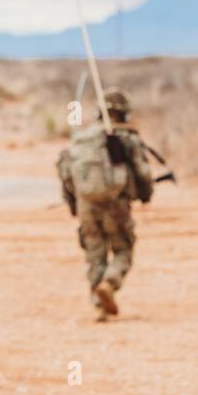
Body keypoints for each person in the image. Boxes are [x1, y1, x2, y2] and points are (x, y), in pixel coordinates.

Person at [56, 87, 154, 320]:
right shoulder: (125, 138)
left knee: (94, 253)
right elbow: (143, 171)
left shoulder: (81, 138)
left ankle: (99, 304)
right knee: (123, 248)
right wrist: (145, 193)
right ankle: (110, 283)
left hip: (86, 205)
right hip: (116, 204)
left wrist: (74, 205)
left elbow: (67, 174)